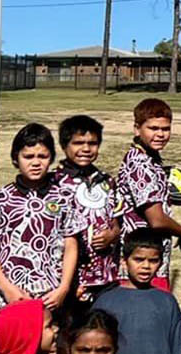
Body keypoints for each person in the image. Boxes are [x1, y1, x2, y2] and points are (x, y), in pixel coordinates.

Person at [0, 123, 83, 354]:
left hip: (50, 297)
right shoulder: (1, 199)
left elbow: (71, 244)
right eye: (28, 157)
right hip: (11, 299)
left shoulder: (63, 197)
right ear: (16, 159)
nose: (36, 163)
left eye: (43, 156)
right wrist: (7, 289)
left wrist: (63, 288)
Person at [112, 98, 181, 290]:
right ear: (137, 129)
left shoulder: (151, 159)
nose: (160, 134)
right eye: (153, 128)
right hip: (141, 261)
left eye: (165, 129)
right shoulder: (140, 164)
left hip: (153, 256)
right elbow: (157, 219)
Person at [55, 114, 126, 295]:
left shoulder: (107, 182)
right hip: (68, 277)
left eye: (92, 143)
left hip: (105, 274)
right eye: (78, 143)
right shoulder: (54, 182)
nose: (86, 149)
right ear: (64, 146)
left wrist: (112, 234)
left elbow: (117, 221)